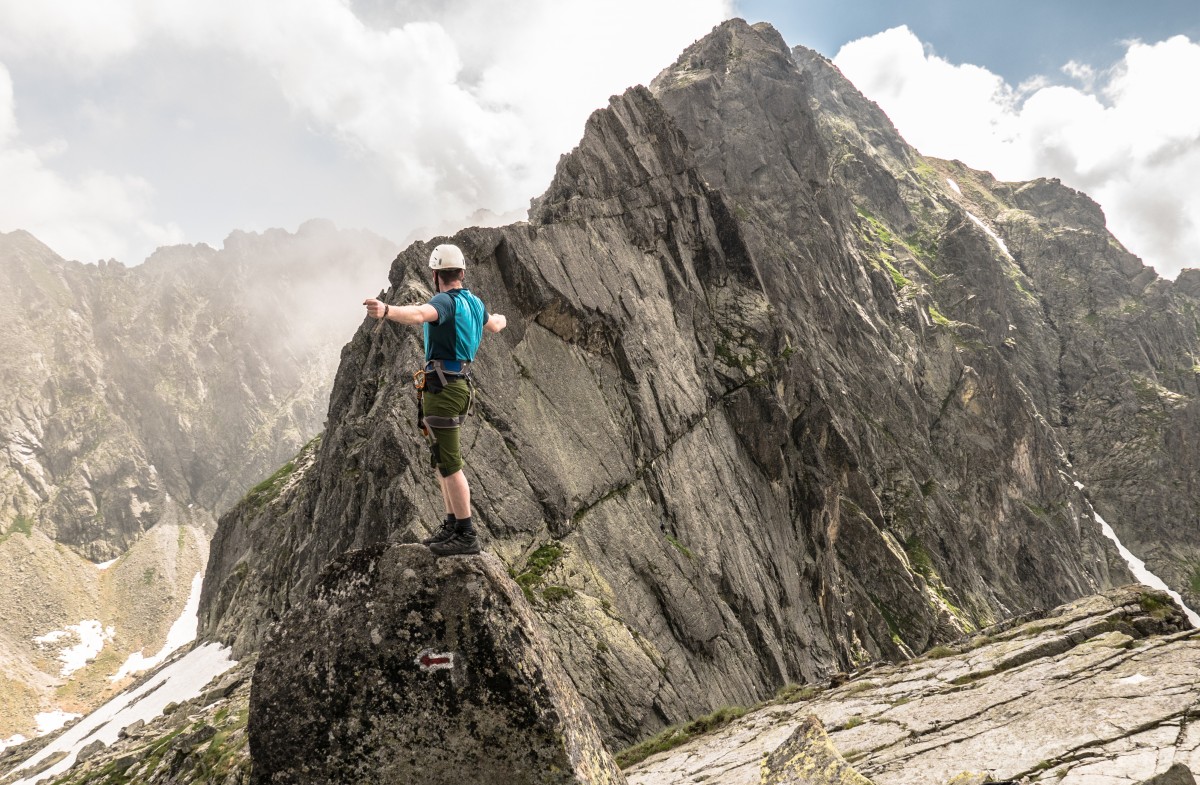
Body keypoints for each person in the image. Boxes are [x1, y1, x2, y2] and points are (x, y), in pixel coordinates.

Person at [363, 243, 507, 556]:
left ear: (435, 274)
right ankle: (452, 525)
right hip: (457, 386)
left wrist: (386, 310)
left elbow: (419, 314)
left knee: (451, 464)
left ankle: (465, 533)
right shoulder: (474, 302)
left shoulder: (444, 300)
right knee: (443, 461)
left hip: (442, 388)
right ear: (462, 273)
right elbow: (494, 325)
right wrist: (500, 317)